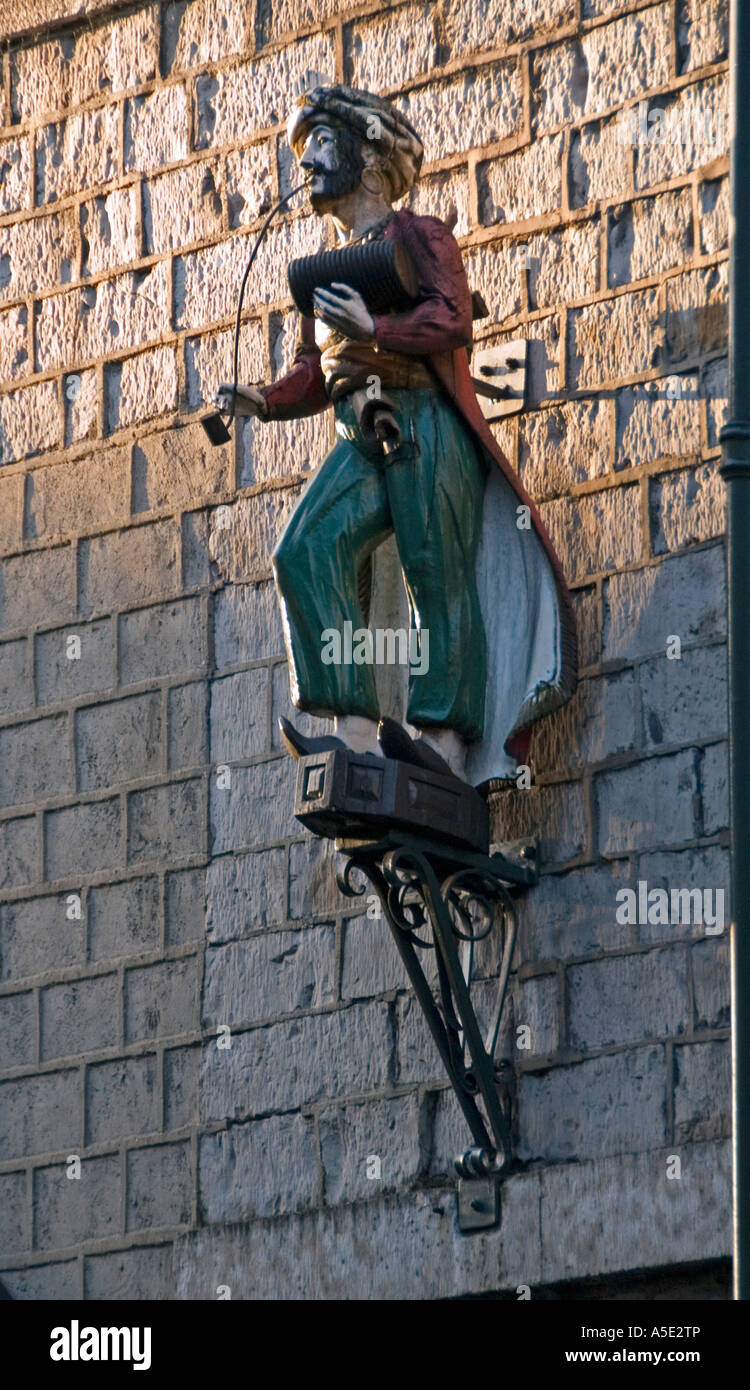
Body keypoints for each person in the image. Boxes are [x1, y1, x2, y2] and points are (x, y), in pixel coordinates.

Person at [217, 84, 576, 785]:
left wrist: (375, 327)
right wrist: (261, 399)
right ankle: (353, 727)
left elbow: (451, 320)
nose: (307, 162)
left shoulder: (420, 236)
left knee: (432, 574)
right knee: (306, 548)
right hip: (360, 431)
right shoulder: (325, 268)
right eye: (305, 148)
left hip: (424, 423)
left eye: (323, 143)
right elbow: (317, 370)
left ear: (371, 158)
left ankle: (444, 740)